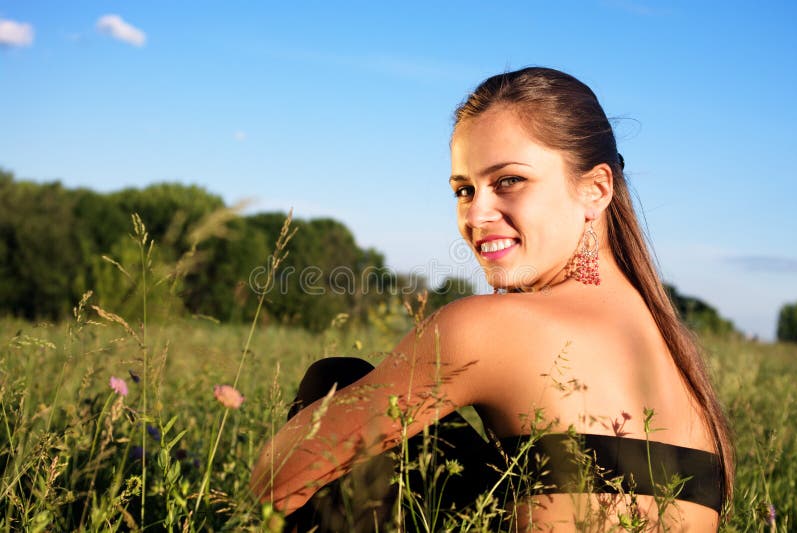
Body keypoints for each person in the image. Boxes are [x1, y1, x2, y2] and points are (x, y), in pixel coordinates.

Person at [250, 67, 734, 531]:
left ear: (595, 188)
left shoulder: (494, 327)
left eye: (509, 181)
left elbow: (273, 480)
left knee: (336, 379)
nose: (476, 214)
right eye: (464, 190)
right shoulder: (678, 355)